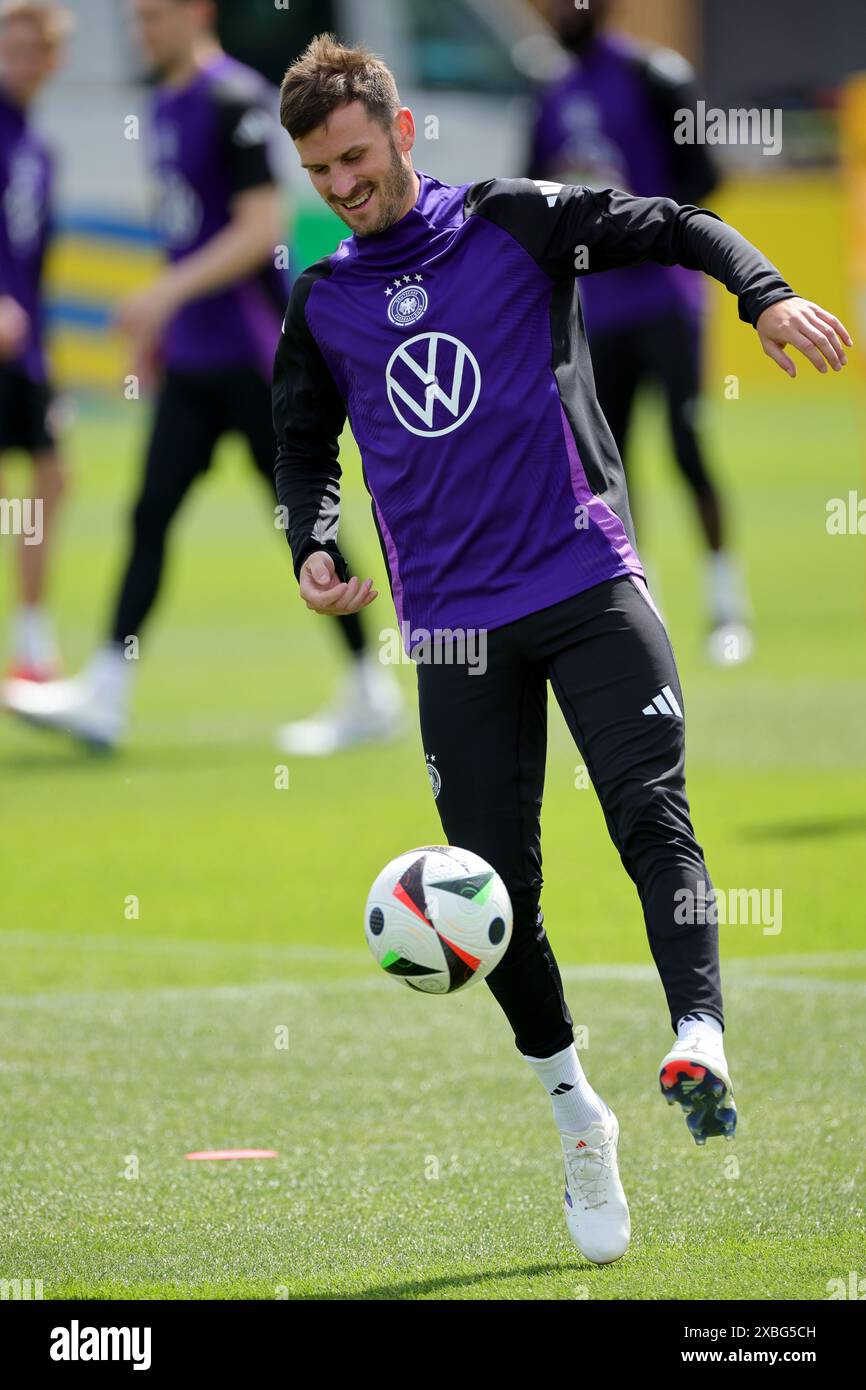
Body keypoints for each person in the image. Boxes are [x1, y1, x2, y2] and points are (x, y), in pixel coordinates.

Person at [272, 34, 850, 1264]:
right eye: (320, 172)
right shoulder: (322, 298)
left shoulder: (520, 222)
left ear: (405, 131)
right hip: (454, 630)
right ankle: (573, 1111)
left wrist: (766, 293)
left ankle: (696, 1032)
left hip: (586, 579)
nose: (341, 189)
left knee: (651, 810)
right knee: (493, 895)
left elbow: (677, 222)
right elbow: (299, 443)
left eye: (357, 159)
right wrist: (314, 548)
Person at [2, 0, 402, 751]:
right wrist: (163, 322)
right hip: (193, 358)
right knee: (150, 515)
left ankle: (369, 686)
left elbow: (259, 228)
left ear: (196, 12)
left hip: (253, 356)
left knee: (301, 517)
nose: (139, 30)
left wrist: (163, 294)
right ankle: (108, 692)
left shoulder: (235, 101)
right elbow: (187, 228)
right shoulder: (162, 104)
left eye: (153, 14)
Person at [527, 0, 752, 663]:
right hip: (594, 316)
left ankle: (725, 603)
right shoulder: (548, 91)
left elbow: (704, 175)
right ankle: (637, 606)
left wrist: (637, 227)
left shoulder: (655, 75)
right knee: (606, 467)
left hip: (664, 299)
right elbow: (530, 195)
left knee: (687, 442)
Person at [0, 0, 71, 681]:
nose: (19, 61)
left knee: (50, 480)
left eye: (32, 50)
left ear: (53, 60)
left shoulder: (40, 149)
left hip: (23, 352)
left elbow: (34, 264)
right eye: (9, 47)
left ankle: (30, 643)